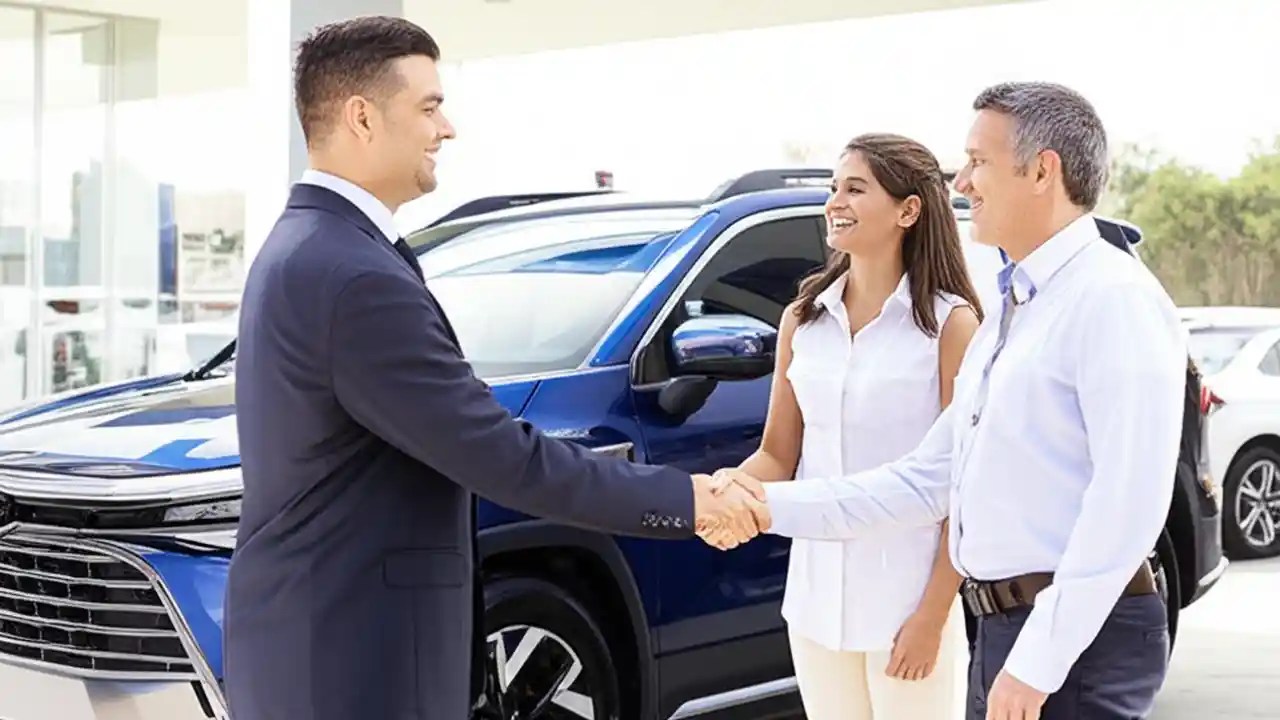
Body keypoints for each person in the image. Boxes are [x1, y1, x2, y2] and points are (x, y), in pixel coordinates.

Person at [225, 16, 763, 720]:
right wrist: (691, 502)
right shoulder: (351, 272)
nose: (445, 128)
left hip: (323, 642)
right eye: (428, 106)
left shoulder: (315, 245)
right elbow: (500, 456)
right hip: (355, 662)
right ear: (361, 117)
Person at [707, 81, 1186, 720]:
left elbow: (1125, 507)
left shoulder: (1111, 299)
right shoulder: (1018, 309)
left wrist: (1037, 662)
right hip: (1009, 626)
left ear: (1042, 170)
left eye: (979, 162)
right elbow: (929, 478)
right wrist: (758, 503)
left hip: (1073, 640)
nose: (961, 183)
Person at [719, 133, 983, 719]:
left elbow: (962, 489)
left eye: (855, 189)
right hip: (814, 610)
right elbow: (776, 454)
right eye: (834, 188)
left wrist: (934, 615)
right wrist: (727, 492)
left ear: (908, 210)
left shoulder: (950, 325)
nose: (834, 201)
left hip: (906, 609)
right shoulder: (802, 320)